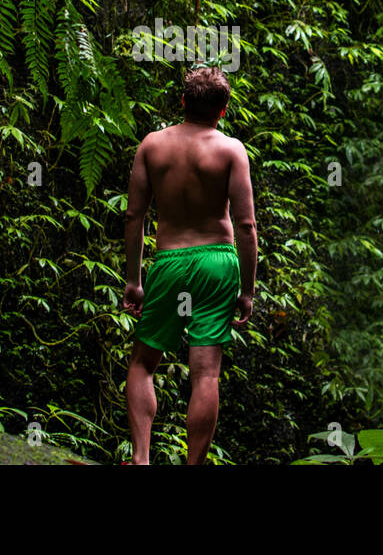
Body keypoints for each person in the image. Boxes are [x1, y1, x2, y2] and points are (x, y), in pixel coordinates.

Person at [121, 65, 257, 465]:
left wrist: (134, 280)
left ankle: (142, 459)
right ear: (224, 110)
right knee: (205, 373)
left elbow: (134, 216)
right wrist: (247, 291)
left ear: (183, 101)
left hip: (170, 261)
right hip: (217, 261)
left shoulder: (152, 146)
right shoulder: (231, 150)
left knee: (144, 364)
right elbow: (246, 225)